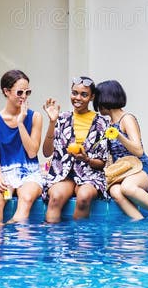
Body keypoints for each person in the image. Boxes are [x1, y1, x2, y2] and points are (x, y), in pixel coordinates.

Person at [94, 79, 148, 220]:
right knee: (116, 191)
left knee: (127, 188)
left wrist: (119, 137)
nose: (97, 106)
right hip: (121, 171)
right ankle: (139, 223)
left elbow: (138, 150)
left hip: (140, 169)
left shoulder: (127, 119)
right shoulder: (108, 123)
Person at [42, 76, 109, 223]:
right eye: (74, 93)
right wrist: (52, 122)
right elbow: (47, 152)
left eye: (84, 94)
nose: (77, 98)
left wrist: (87, 159)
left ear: (92, 97)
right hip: (63, 175)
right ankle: (53, 243)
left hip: (90, 175)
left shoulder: (102, 123)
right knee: (55, 198)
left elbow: (102, 163)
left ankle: (80, 241)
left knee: (84, 197)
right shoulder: (62, 118)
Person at [0, 69, 43, 224]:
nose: (24, 97)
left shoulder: (35, 117)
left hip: (29, 172)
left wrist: (20, 123)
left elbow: (32, 152)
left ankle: (18, 244)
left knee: (25, 198)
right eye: (20, 92)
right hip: (4, 172)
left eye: (27, 92)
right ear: (6, 91)